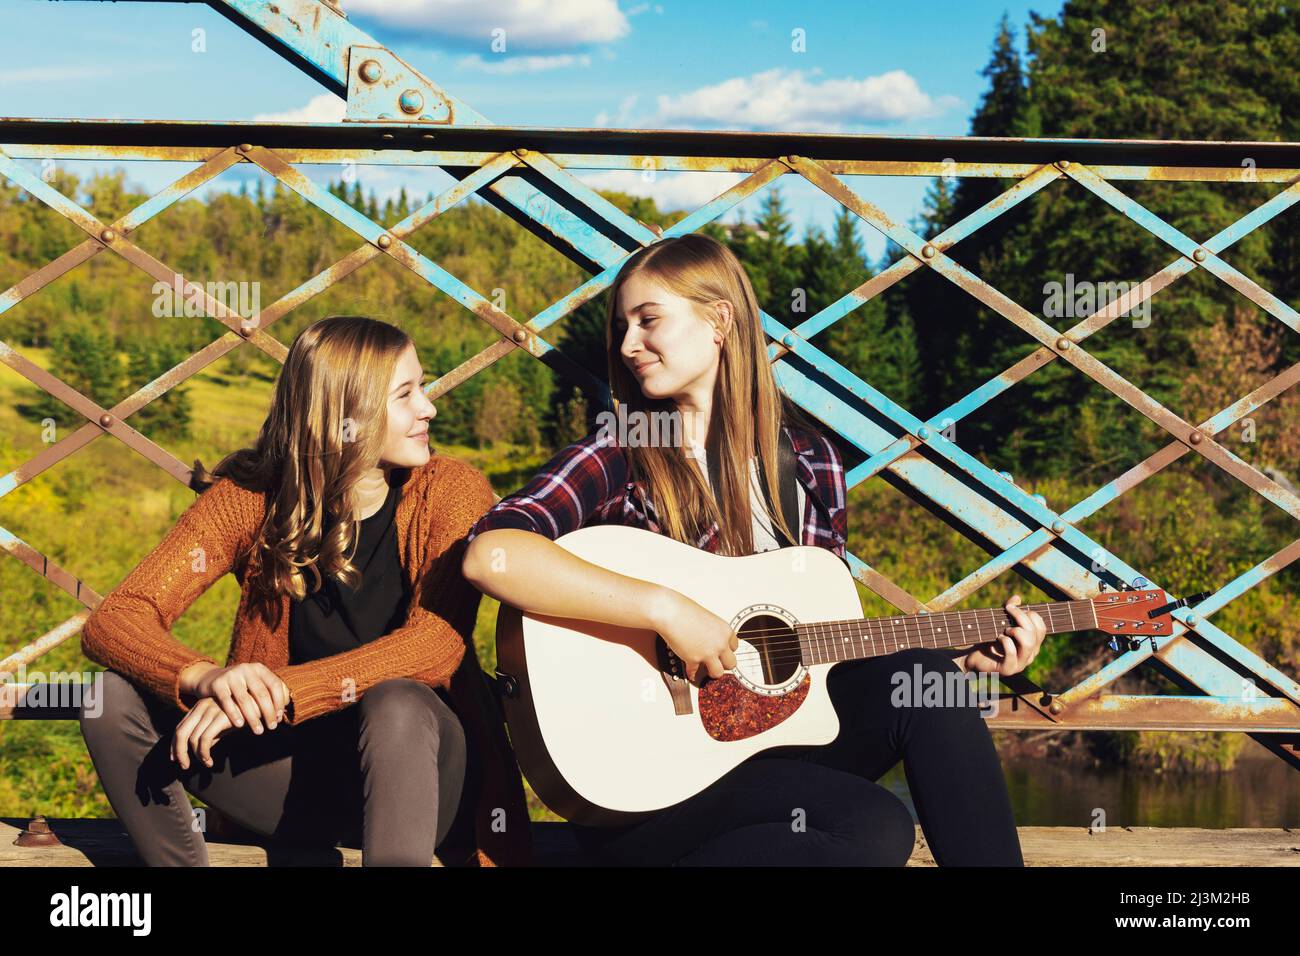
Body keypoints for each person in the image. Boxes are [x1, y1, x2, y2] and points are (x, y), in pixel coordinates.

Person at [463, 234, 1044, 866]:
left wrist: (966, 661)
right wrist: (665, 611)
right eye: (621, 327)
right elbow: (492, 553)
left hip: (770, 752)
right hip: (650, 781)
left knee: (929, 681)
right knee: (872, 827)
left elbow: (818, 654)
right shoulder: (618, 454)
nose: (628, 345)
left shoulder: (811, 464)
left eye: (649, 320)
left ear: (720, 320)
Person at [79, 315, 530, 867]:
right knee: (109, 699)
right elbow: (118, 615)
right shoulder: (251, 498)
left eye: (423, 387)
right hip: (296, 788)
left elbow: (436, 644)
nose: (428, 407)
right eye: (405, 394)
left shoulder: (450, 490)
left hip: (421, 782)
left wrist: (285, 690)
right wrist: (205, 679)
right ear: (344, 414)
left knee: (397, 699)